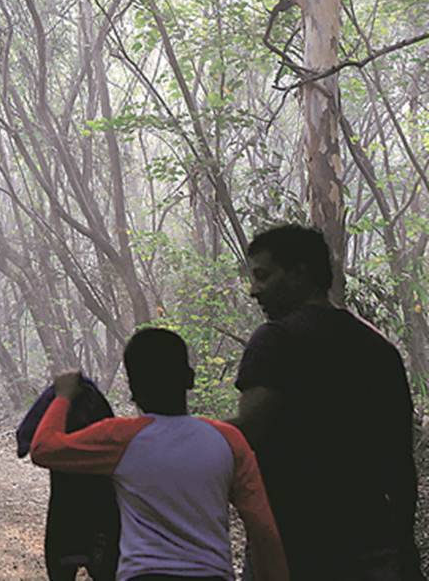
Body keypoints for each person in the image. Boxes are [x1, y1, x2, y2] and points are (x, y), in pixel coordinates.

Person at [231, 224, 423, 580]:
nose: (254, 290)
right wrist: (403, 544)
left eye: (262, 275)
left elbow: (247, 433)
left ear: (300, 273)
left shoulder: (276, 341)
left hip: (292, 546)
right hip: (373, 544)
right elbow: (399, 461)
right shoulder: (379, 350)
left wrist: (176, 433)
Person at [32, 329, 288, 581]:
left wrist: (63, 397)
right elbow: (263, 530)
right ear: (190, 378)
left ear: (133, 387)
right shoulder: (229, 440)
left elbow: (44, 449)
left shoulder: (119, 438)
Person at [17, 375, 119, 580]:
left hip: (64, 515)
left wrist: (61, 397)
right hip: (104, 515)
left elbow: (25, 441)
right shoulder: (104, 416)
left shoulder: (55, 401)